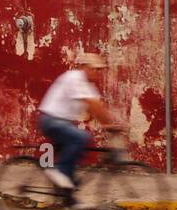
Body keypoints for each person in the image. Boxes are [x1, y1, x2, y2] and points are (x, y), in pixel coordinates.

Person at [38, 53, 119, 197]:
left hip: (65, 123)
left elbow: (96, 108)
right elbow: (93, 105)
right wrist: (108, 124)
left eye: (99, 70)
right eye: (94, 69)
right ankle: (58, 172)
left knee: (77, 155)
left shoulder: (89, 86)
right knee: (80, 137)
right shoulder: (74, 78)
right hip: (51, 120)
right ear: (83, 67)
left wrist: (109, 124)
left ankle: (68, 199)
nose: (97, 72)